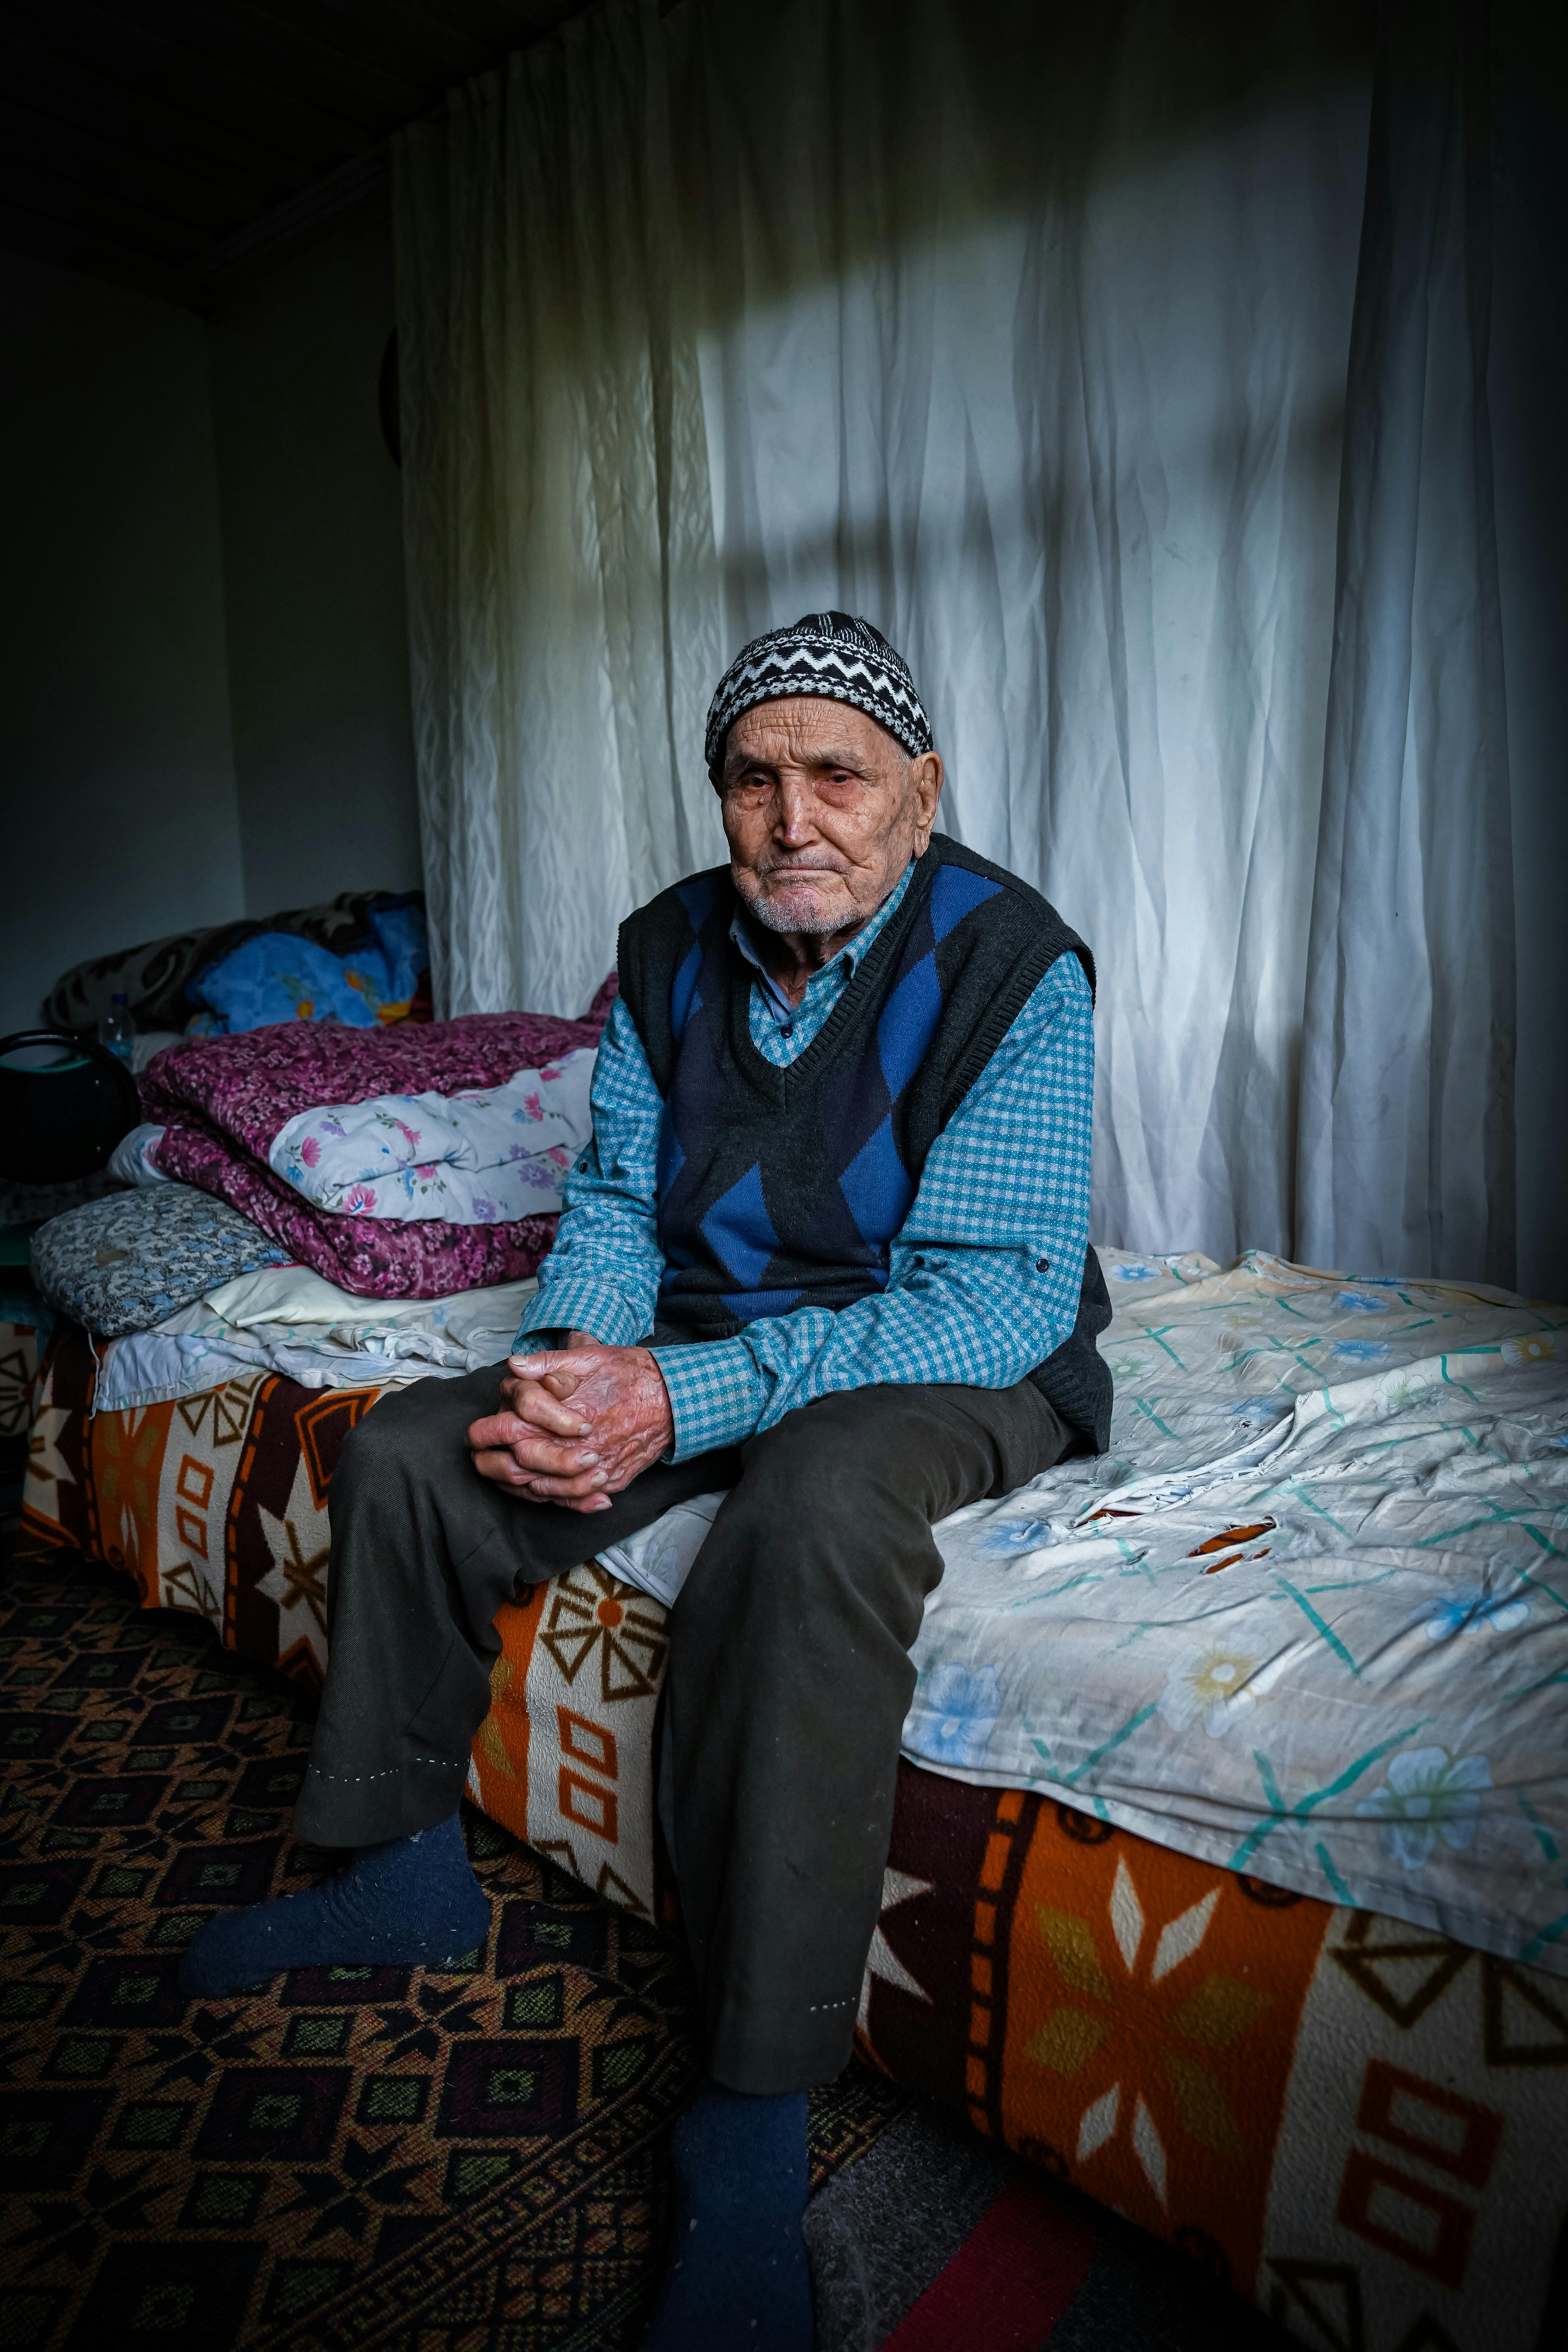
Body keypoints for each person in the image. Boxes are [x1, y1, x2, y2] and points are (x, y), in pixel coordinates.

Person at [180, 611, 1110, 2350]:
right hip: (706, 1324)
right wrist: (572, 1369)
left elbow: (996, 1294)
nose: (793, 818)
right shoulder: (669, 947)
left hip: (944, 1351)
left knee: (813, 1512)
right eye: (754, 779)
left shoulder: (1013, 965)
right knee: (417, 1446)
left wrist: (680, 1397)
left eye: (838, 776)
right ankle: (393, 1866)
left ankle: (750, 2107)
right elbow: (614, 1201)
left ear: (921, 794)